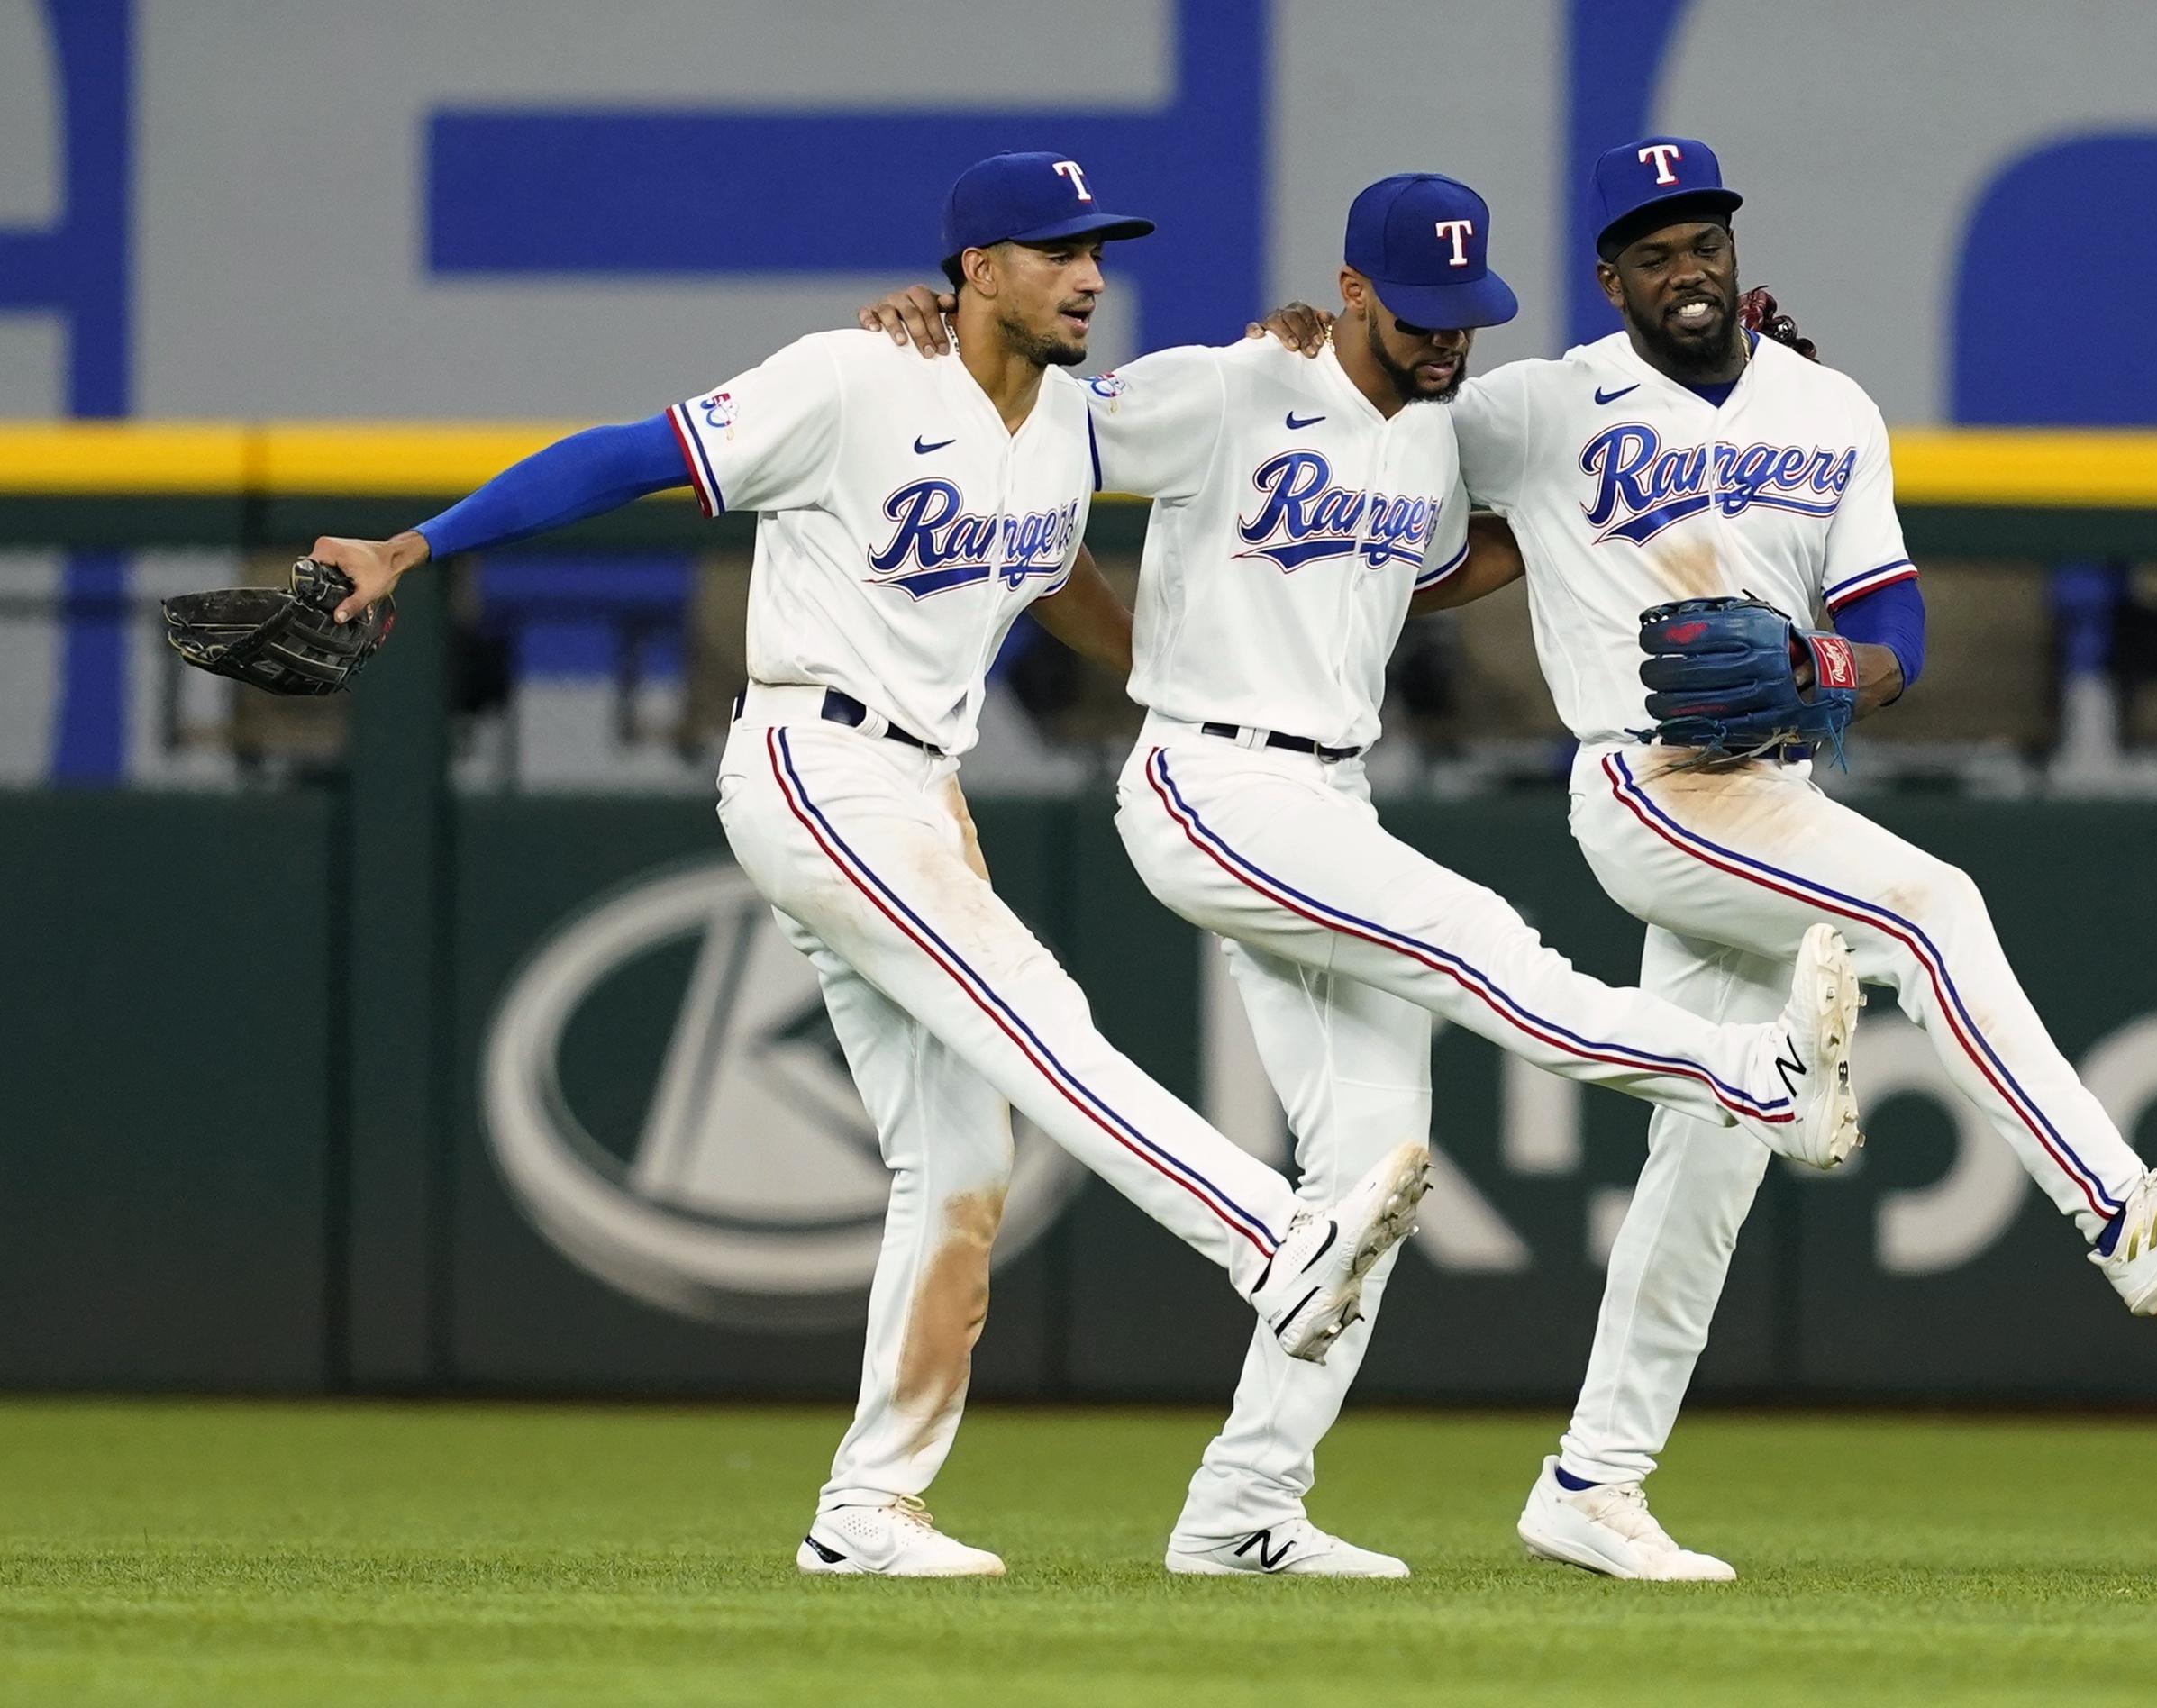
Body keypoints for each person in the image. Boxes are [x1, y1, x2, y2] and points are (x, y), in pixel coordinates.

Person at [303, 150, 1433, 1581]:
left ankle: (867, 1511)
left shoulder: (1066, 426)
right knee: (1035, 1008)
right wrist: (417, 543)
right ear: (977, 270)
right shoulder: (852, 378)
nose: (1089, 275)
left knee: (961, 1155)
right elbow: (626, 454)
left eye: (1098, 251)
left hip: (920, 784)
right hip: (813, 755)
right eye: (1054, 251)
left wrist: (1277, 393)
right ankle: (1268, 1239)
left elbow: (1062, 577)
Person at [857, 173, 1862, 1581]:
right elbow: (1027, 419)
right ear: (1350, 290)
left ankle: (1242, 1509)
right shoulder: (1231, 386)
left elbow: (1490, 552)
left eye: (1468, 315)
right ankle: (1750, 1076)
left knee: (1377, 1163)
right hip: (1212, 777)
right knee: (1476, 942)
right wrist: (937, 319)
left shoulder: (1443, 434)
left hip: (1326, 785)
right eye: (1420, 313)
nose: (1449, 340)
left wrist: (1755, 417)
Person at [1323, 135, 2157, 1578]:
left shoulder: (1828, 404)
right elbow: (1363, 422)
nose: (1684, 266)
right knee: (1931, 910)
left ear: (1733, 248)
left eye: (1701, 238)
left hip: (1770, 784)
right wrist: (1295, 344)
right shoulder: (1541, 405)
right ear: (1611, 277)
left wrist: (1832, 667)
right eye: (1652, 250)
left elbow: (1896, 633)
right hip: (1650, 781)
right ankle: (2119, 1211)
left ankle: (1592, 1482)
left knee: (1707, 1156)